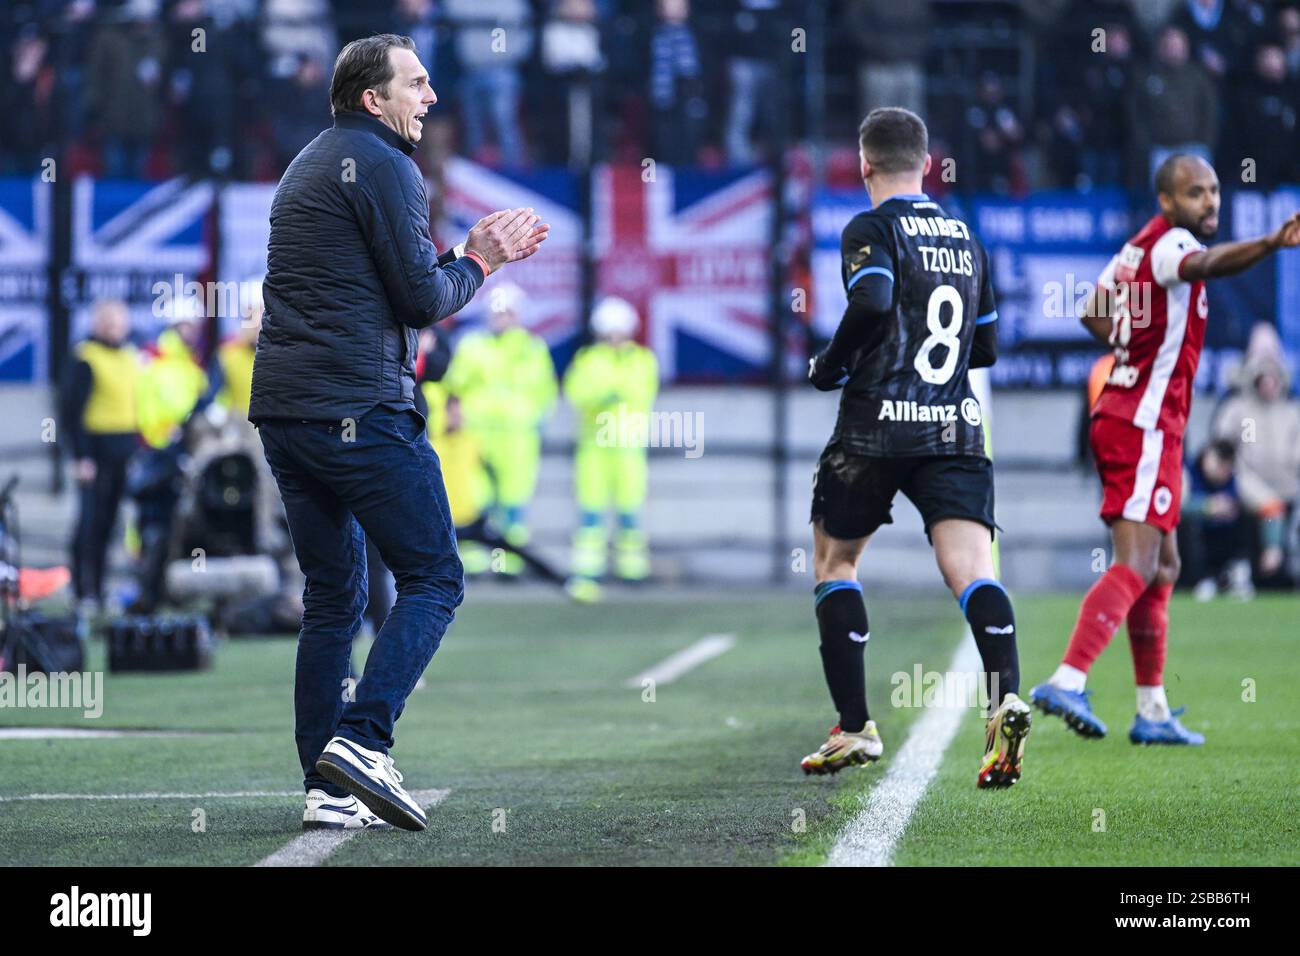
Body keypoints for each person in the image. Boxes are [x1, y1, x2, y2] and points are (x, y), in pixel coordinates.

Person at [248, 34, 546, 833]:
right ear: (373, 98)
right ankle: (364, 739)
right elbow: (420, 298)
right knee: (436, 577)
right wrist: (482, 259)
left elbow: (385, 283)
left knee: (332, 597)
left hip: (286, 409)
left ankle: (328, 784)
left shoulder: (314, 159)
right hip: (360, 407)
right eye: (416, 84)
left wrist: (459, 256)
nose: (432, 97)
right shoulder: (387, 165)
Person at [1029, 155, 1300, 746]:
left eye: (1215, 190)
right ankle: (1068, 677)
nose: (1211, 202)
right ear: (1168, 201)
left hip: (1145, 423)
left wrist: (1129, 342)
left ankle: (1151, 710)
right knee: (1138, 563)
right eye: (1196, 193)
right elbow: (1206, 262)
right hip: (1144, 425)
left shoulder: (1136, 249)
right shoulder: (1171, 245)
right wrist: (1271, 243)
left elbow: (1090, 311)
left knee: (1166, 566)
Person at [802, 108, 1031, 789]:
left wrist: (830, 363)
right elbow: (984, 346)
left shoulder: (871, 227)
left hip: (875, 426)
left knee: (835, 561)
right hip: (953, 427)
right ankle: (1004, 704)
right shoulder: (965, 237)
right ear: (927, 163)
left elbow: (871, 300)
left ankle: (853, 726)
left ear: (864, 164)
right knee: (971, 569)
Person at [443, 282, 557, 576]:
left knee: (513, 500)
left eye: (507, 313)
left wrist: (532, 419)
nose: (501, 318)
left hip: (518, 437)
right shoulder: (472, 346)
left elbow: (545, 392)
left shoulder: (532, 349)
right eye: (497, 313)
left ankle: (507, 564)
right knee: (476, 500)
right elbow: (454, 386)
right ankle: (473, 563)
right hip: (478, 434)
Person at [563, 296, 658, 589]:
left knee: (629, 510)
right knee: (591, 510)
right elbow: (578, 394)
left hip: (629, 448)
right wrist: (609, 392)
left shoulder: (642, 360)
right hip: (594, 448)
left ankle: (632, 569)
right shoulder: (588, 360)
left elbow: (642, 391)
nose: (615, 337)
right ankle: (588, 568)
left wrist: (607, 391)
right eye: (609, 331)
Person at [61, 299, 140, 616]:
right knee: (89, 524)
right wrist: (81, 457)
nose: (114, 327)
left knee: (109, 525)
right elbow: (71, 413)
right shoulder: (86, 358)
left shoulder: (130, 356)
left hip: (123, 451)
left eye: (119, 321)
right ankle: (82, 591)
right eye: (108, 321)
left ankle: (100, 587)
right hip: (95, 453)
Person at [1211, 324, 1300, 582]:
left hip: (1289, 484)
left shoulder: (1291, 411)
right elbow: (1223, 447)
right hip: (1250, 483)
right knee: (1270, 509)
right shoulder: (1239, 409)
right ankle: (1269, 558)